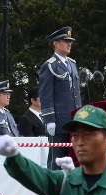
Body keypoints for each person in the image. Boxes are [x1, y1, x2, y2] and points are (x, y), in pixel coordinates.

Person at [39, 26, 81, 169]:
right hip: (58, 121)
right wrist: (50, 121)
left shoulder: (72, 64)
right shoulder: (49, 66)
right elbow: (46, 95)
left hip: (74, 120)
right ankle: (53, 188)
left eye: (70, 41)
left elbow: (76, 95)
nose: (69, 44)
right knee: (56, 160)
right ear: (55, 43)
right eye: (65, 41)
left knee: (73, 159)